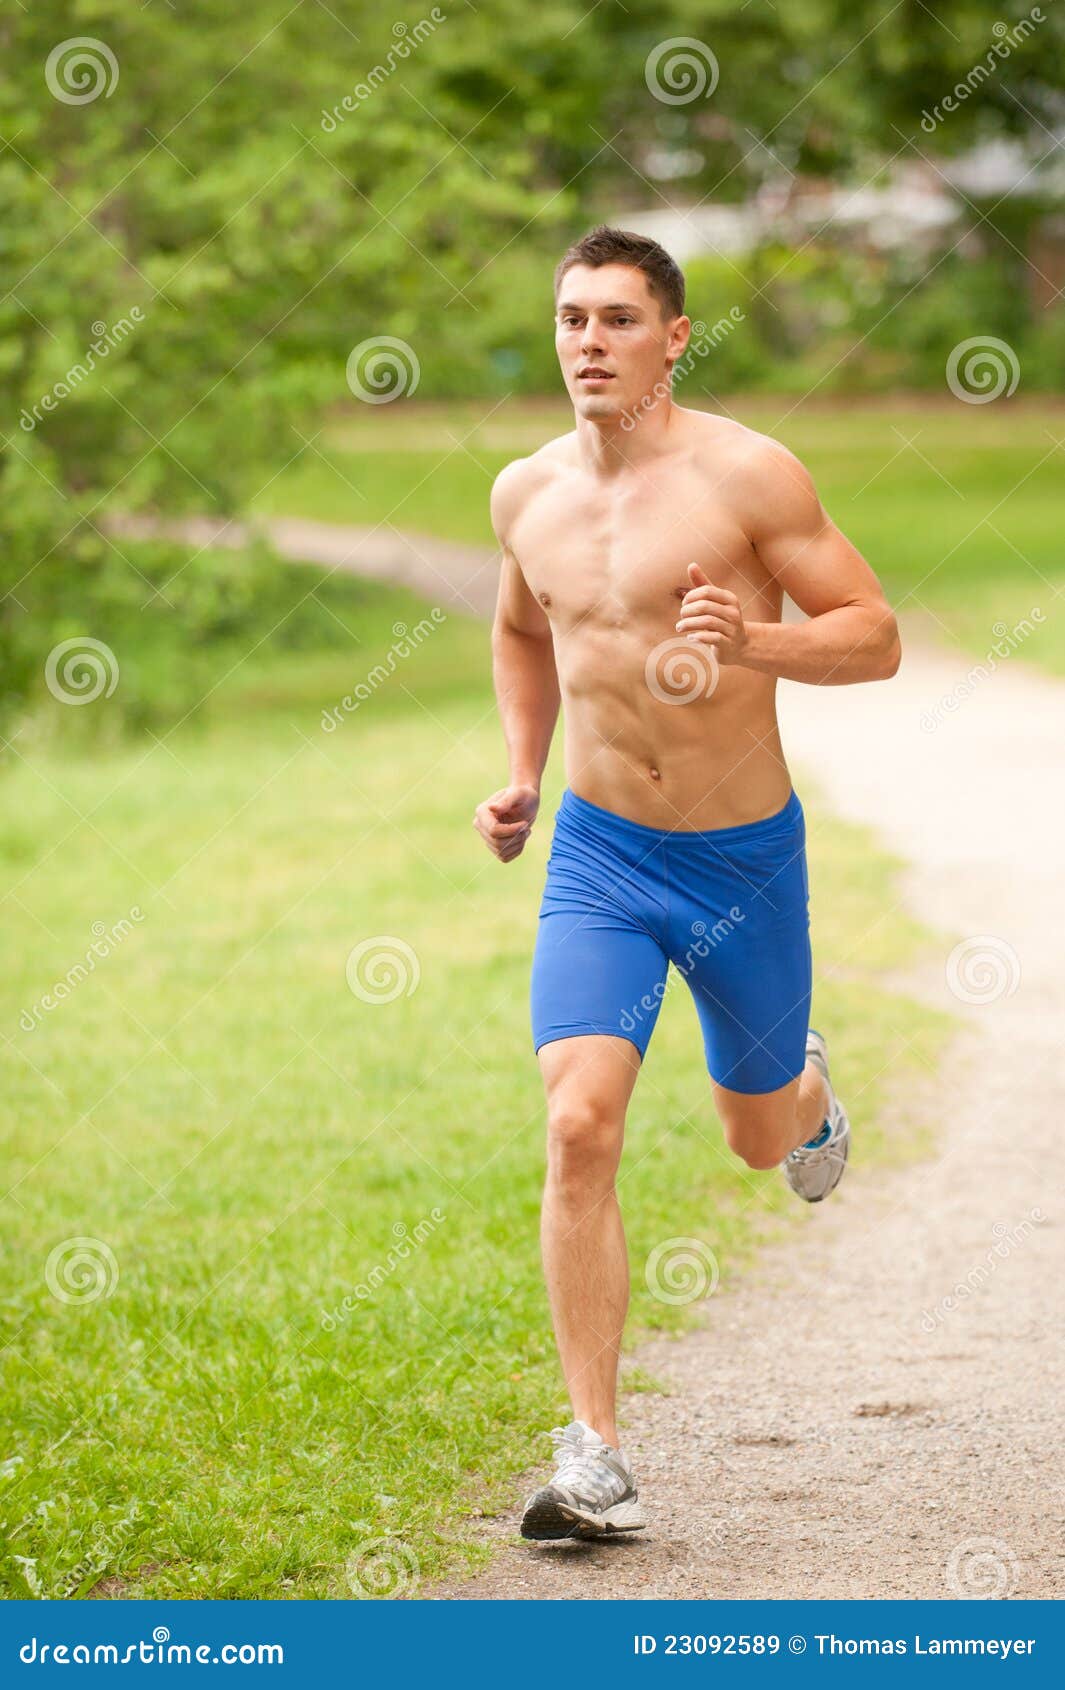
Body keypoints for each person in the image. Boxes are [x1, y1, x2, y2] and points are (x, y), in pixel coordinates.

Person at [472, 225, 901, 1543]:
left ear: (673, 340)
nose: (588, 342)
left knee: (756, 1138)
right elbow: (520, 628)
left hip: (739, 862)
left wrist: (753, 639)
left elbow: (875, 637)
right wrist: (523, 772)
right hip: (601, 855)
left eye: (616, 319)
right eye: (570, 319)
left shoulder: (746, 475)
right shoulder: (525, 495)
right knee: (578, 1123)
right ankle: (593, 1453)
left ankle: (804, 1093)